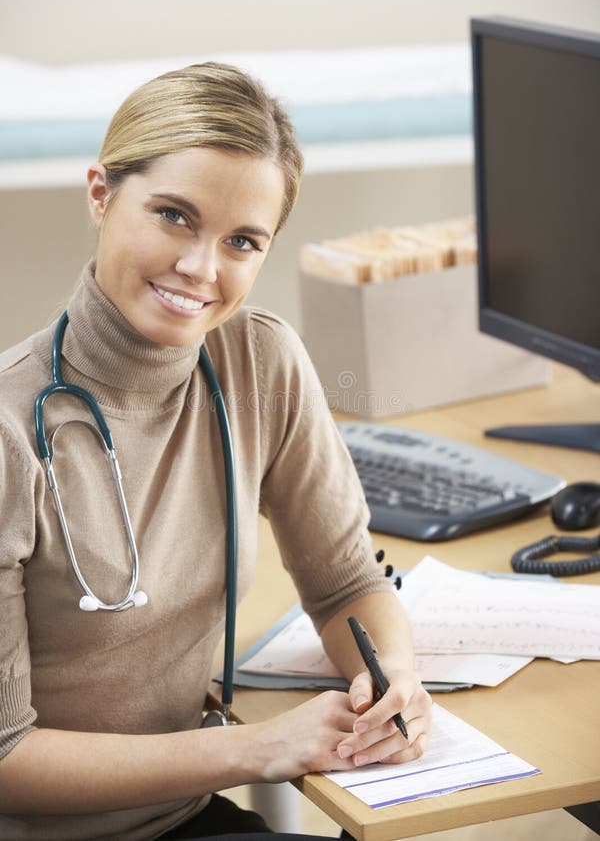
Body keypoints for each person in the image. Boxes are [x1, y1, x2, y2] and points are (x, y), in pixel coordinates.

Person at [0, 62, 432, 840]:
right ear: (100, 195)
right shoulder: (8, 428)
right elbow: (4, 755)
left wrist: (393, 674)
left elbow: (344, 584)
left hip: (181, 818)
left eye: (241, 240)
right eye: (173, 216)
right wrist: (254, 747)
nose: (202, 268)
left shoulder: (257, 361)